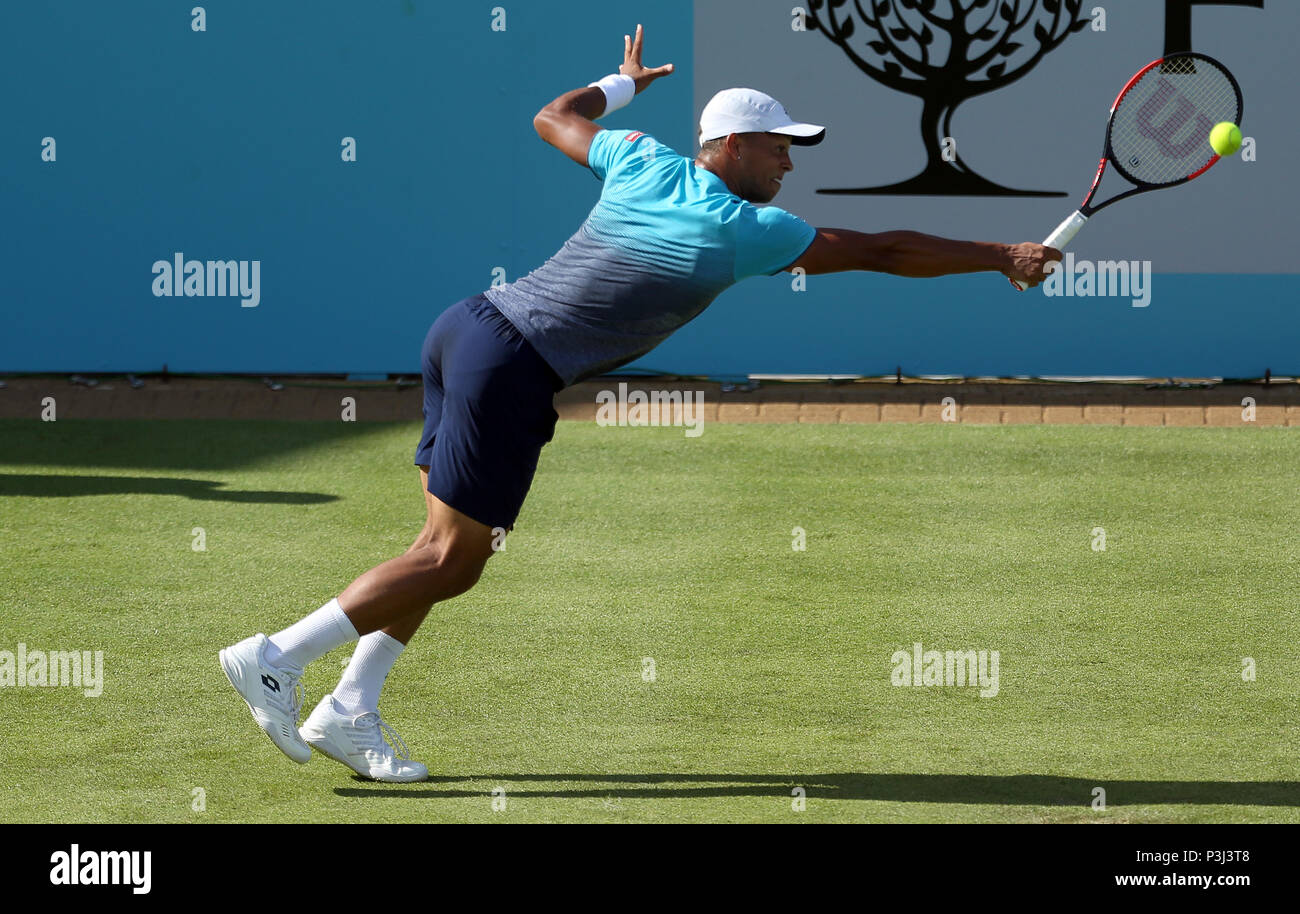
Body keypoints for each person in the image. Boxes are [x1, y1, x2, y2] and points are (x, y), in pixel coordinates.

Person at [219, 25, 1060, 782]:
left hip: (467, 329)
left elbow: (552, 114)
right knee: (453, 559)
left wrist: (621, 85)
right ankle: (278, 657)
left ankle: (349, 709)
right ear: (731, 145)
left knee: (443, 549)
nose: (789, 164)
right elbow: (886, 248)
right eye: (779, 148)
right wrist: (1000, 255)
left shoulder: (639, 156)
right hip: (511, 363)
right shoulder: (745, 228)